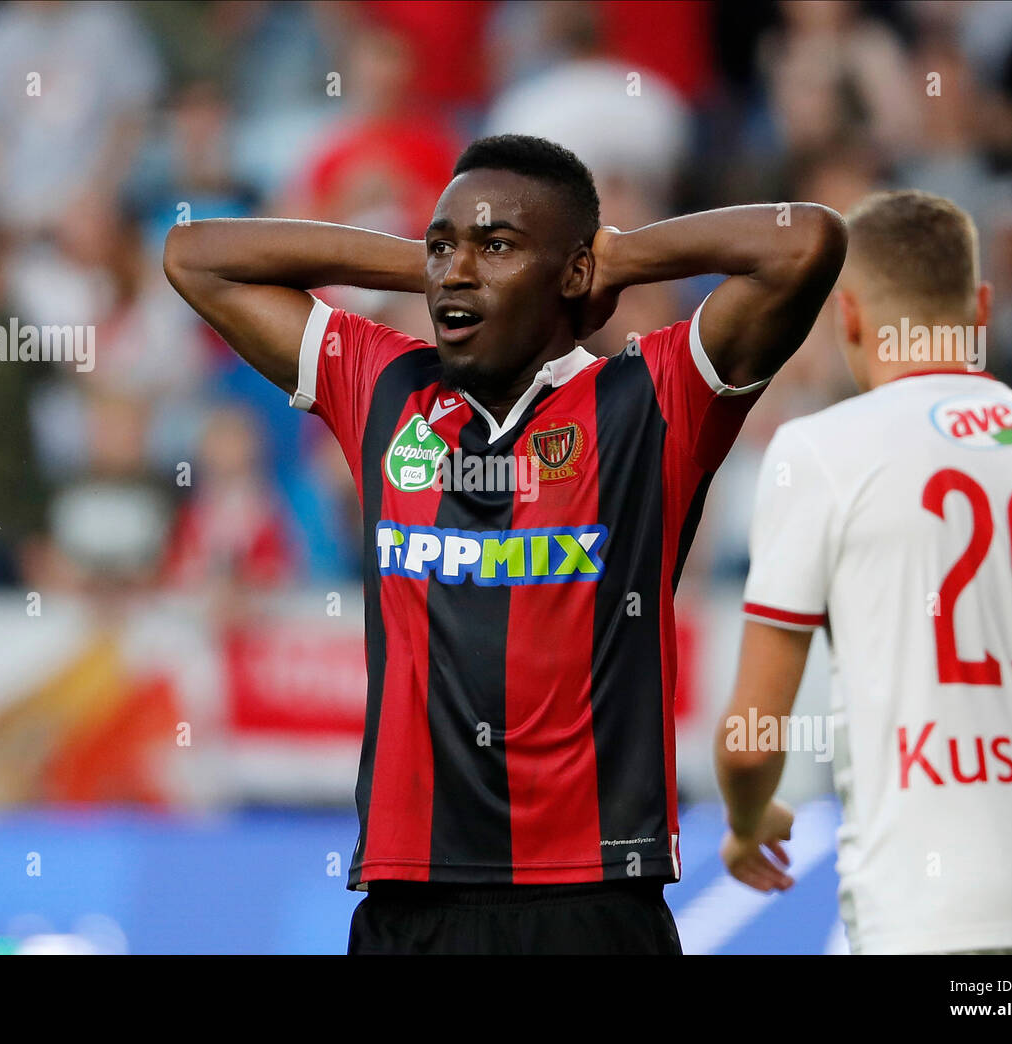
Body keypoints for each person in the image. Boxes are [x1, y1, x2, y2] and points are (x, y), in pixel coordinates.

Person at [165, 133, 845, 955]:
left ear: (573, 272)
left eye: (496, 247)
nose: (457, 271)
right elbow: (195, 256)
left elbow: (804, 242)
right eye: (443, 245)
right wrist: (429, 265)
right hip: (411, 901)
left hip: (594, 902)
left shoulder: (652, 398)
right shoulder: (384, 384)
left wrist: (619, 258)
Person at [715, 189, 1012, 955]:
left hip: (915, 905)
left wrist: (747, 824)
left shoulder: (821, 453)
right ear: (982, 310)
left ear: (847, 316)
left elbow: (750, 738)